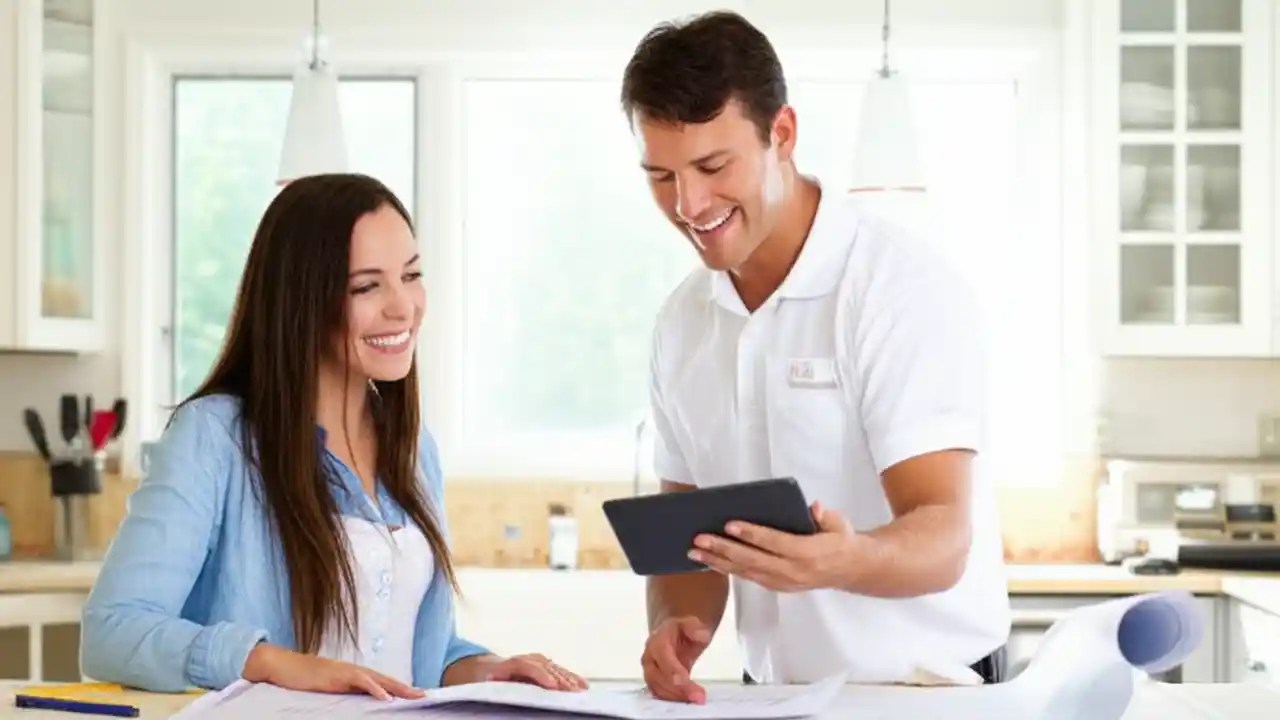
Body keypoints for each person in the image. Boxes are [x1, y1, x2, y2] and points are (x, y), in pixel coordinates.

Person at [620, 11, 1011, 703]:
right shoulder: (683, 322)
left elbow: (944, 537)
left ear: (784, 135)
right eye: (661, 176)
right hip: (772, 692)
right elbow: (693, 539)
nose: (688, 204)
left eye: (713, 166)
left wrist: (846, 560)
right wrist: (678, 619)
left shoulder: (898, 289)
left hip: (928, 691)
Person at [81, 174, 587, 699]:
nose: (403, 307)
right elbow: (111, 631)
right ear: (302, 300)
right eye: (366, 286)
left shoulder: (414, 452)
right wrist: (270, 663)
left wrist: (487, 670)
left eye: (411, 275)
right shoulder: (215, 437)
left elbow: (419, 656)